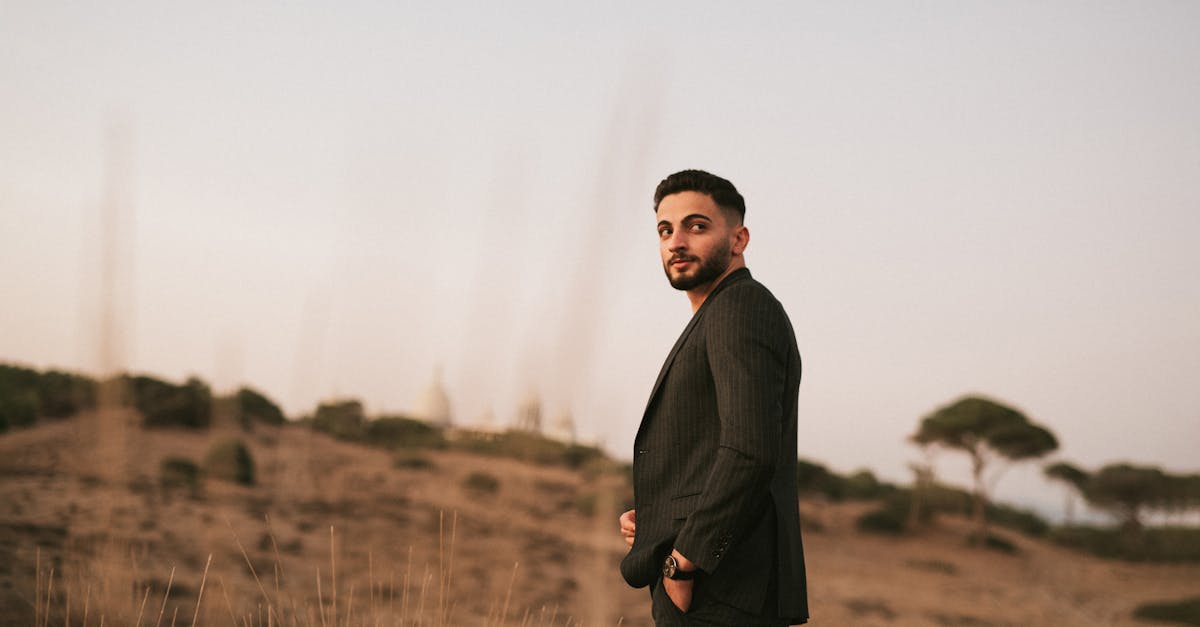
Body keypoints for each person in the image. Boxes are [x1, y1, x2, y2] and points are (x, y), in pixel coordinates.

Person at [619, 170, 808, 625]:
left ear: (738, 238)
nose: (676, 242)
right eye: (665, 230)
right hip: (713, 588)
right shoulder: (720, 313)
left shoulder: (740, 307)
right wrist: (660, 514)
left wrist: (682, 562)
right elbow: (714, 448)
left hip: (718, 591)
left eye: (696, 226)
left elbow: (750, 450)